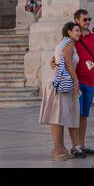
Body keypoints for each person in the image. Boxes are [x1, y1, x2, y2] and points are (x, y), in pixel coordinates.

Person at [39, 20, 81, 161]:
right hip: (61, 83)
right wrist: (76, 80)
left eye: (79, 30)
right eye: (76, 30)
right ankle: (58, 148)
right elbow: (68, 63)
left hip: (57, 82)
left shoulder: (62, 42)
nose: (78, 33)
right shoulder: (68, 43)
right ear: (68, 32)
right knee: (57, 116)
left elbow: (58, 59)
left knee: (59, 115)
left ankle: (59, 147)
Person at [70, 8, 94, 158]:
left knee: (84, 116)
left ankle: (81, 145)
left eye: (89, 19)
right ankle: (75, 146)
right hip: (76, 81)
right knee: (75, 114)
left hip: (90, 81)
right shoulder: (72, 39)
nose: (88, 22)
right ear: (77, 20)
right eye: (85, 20)